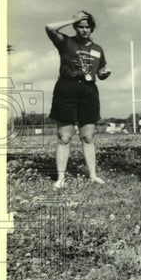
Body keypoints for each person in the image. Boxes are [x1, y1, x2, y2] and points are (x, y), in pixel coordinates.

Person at [46, 10, 110, 189]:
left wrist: (103, 74)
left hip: (89, 91)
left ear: (92, 28)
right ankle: (60, 179)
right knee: (64, 137)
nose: (84, 30)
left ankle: (93, 176)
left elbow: (101, 70)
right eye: (80, 27)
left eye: (87, 27)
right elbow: (49, 28)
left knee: (88, 137)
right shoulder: (66, 42)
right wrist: (71, 19)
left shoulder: (98, 49)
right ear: (75, 27)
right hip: (67, 88)